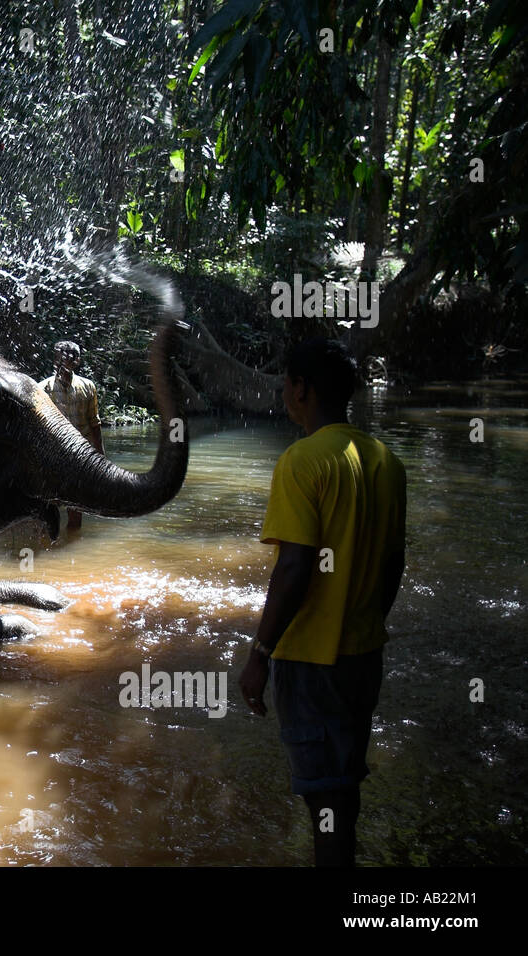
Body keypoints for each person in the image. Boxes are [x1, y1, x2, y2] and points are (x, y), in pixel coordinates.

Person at [240, 337, 407, 867]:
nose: (285, 394)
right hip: (364, 654)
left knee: (324, 795)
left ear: (302, 388)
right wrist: (367, 621)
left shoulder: (302, 461)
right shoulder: (385, 460)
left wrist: (259, 653)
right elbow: (393, 565)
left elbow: (294, 568)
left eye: (287, 384)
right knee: (344, 784)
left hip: (311, 658)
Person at [38, 340, 105, 531]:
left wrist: (100, 456)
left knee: (76, 513)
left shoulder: (88, 386)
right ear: (55, 360)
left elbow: (94, 423)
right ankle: (47, 549)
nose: (63, 362)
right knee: (48, 513)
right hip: (51, 457)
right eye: (60, 357)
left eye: (68, 357)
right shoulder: (42, 389)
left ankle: (71, 550)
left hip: (80, 458)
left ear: (77, 361)